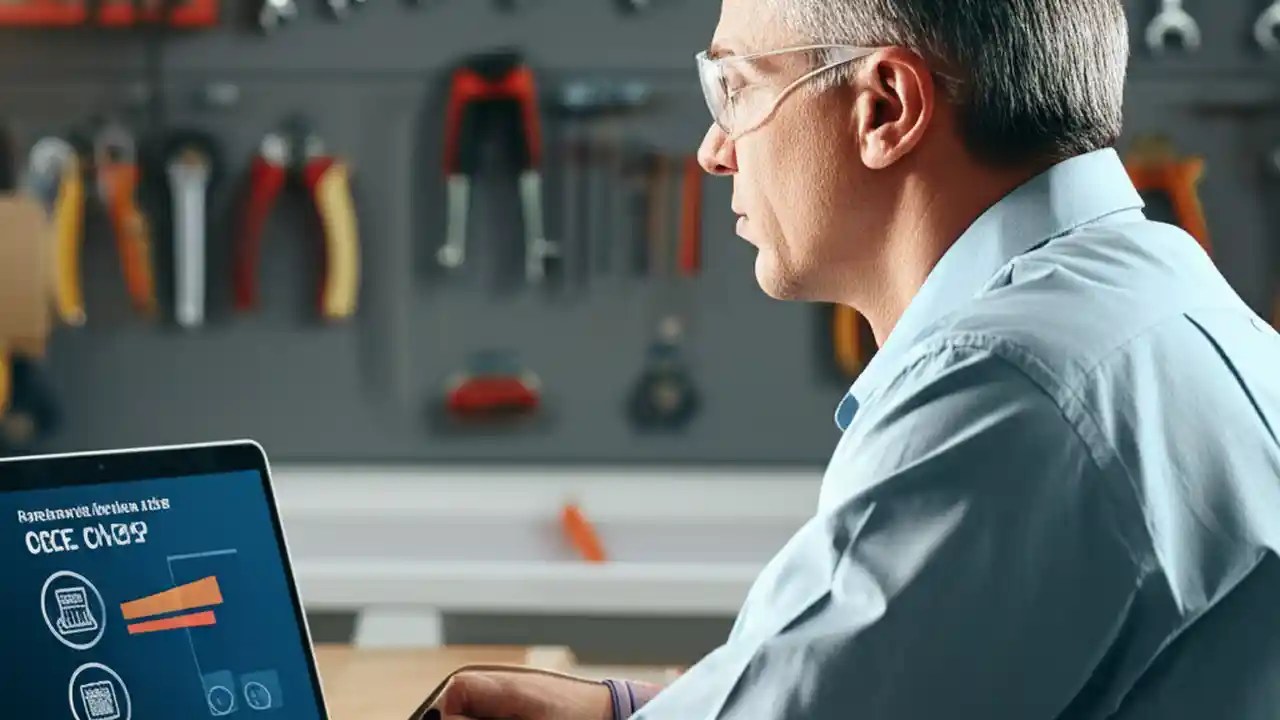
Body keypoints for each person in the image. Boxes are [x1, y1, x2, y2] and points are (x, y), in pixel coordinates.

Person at [426, 0, 1280, 717]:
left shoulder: (1009, 384)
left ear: (885, 108)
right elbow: (867, 686)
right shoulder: (1157, 290)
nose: (714, 151)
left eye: (735, 89)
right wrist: (620, 712)